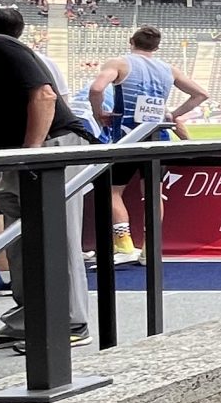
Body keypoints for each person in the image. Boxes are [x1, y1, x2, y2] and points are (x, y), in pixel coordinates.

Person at [0, 7, 99, 352]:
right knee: (21, 245)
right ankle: (29, 320)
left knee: (57, 239)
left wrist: (32, 155)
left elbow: (45, 96)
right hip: (23, 155)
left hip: (49, 148)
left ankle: (71, 323)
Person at [87, 27, 207, 263]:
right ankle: (150, 249)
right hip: (157, 137)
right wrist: (172, 115)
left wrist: (99, 112)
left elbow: (96, 88)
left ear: (131, 41)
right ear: (157, 47)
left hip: (127, 137)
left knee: (112, 191)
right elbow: (201, 94)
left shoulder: (120, 63)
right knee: (153, 194)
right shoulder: (168, 69)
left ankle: (124, 245)